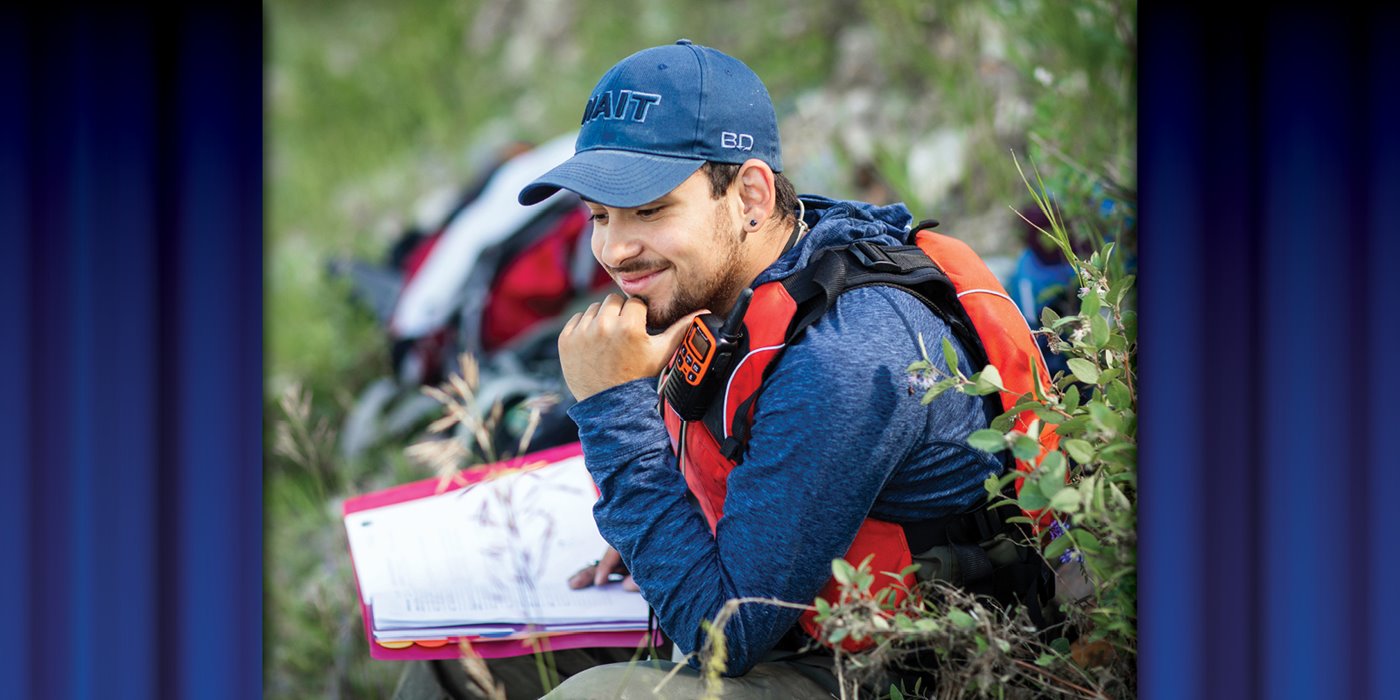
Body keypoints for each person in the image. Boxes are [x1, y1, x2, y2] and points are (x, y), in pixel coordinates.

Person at [396, 40, 1052, 699]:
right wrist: (659, 525)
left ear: (750, 195)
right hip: (794, 617)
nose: (615, 251)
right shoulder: (743, 273)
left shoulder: (844, 353)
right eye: (599, 216)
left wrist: (611, 404)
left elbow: (721, 637)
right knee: (450, 661)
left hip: (906, 670)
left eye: (650, 210)